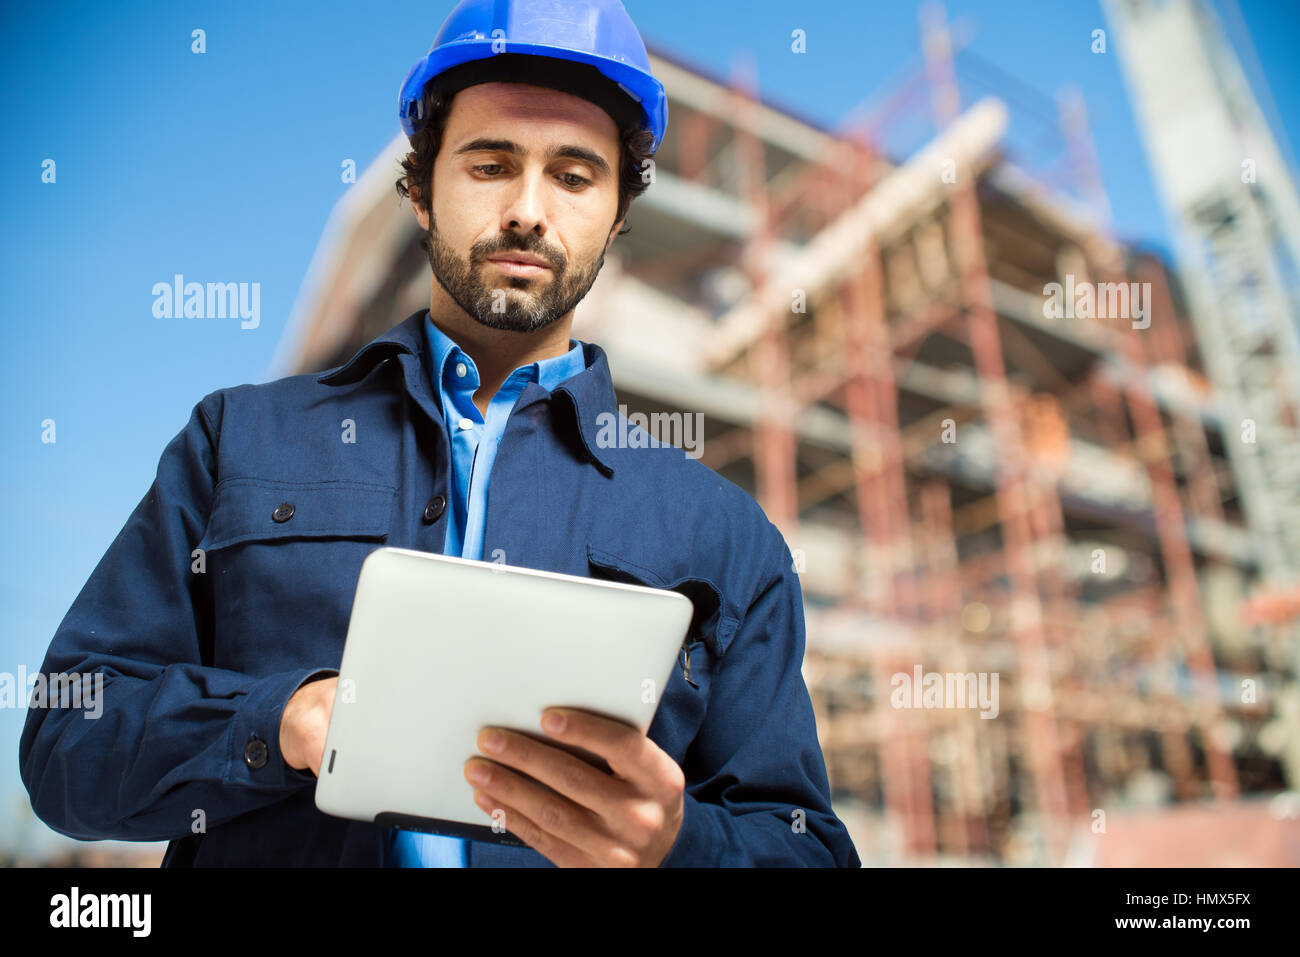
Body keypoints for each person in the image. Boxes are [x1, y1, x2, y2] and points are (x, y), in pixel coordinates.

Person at [18, 0, 861, 867]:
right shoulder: (239, 441)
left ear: (615, 216)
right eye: (491, 164)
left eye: (574, 176)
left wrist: (680, 844)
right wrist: (281, 721)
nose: (529, 211)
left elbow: (809, 850)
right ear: (420, 191)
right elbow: (63, 743)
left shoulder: (722, 535)